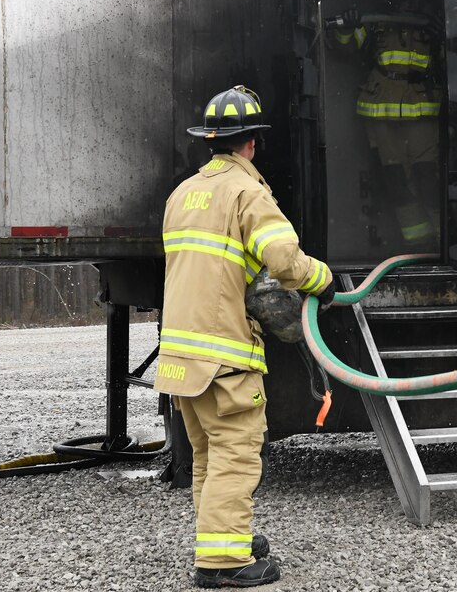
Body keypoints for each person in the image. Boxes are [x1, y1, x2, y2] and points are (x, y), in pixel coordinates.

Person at [154, 85, 336, 589]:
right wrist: (322, 278)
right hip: (225, 356)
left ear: (210, 142)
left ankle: (224, 537)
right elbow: (283, 262)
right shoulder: (247, 193)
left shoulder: (181, 195)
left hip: (181, 357)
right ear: (252, 142)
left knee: (210, 455)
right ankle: (222, 564)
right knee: (236, 450)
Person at [329, 3, 441, 251]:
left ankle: (445, 240)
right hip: (381, 111)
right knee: (397, 181)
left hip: (421, 109)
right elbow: (344, 48)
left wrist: (442, 31)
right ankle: (420, 247)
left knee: (428, 180)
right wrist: (347, 28)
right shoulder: (376, 20)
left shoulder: (433, 18)